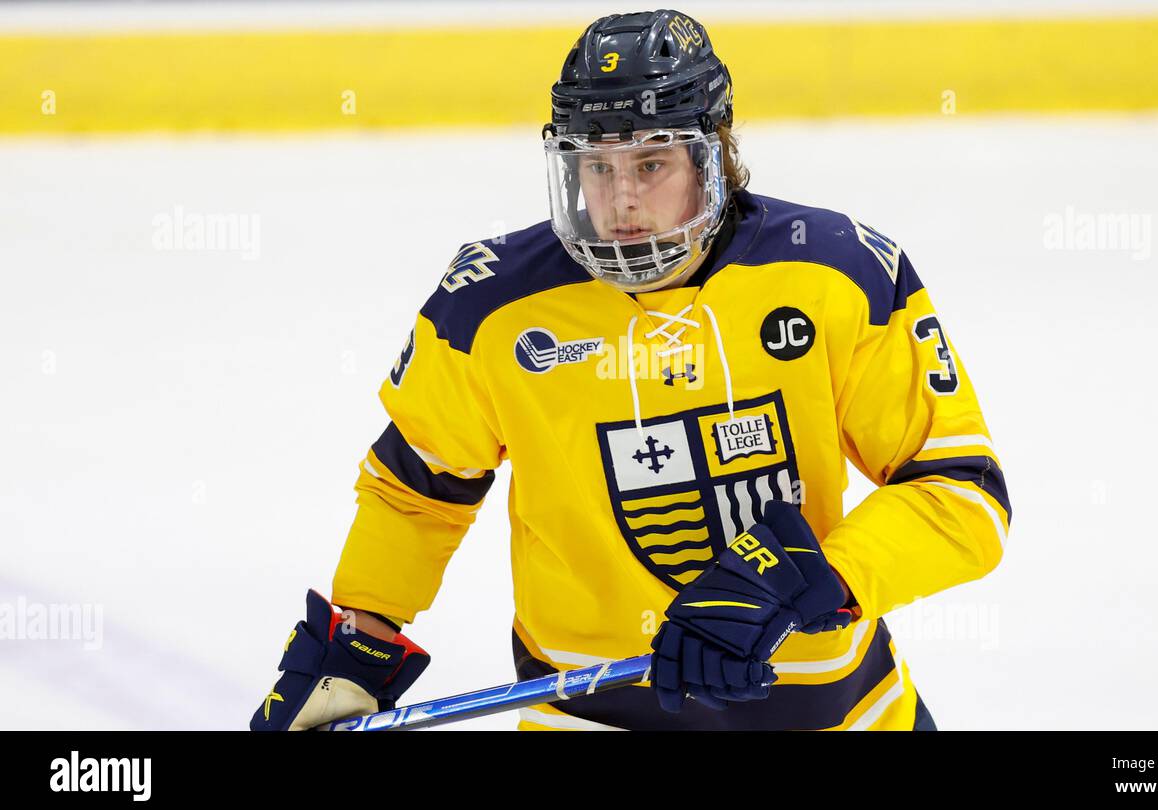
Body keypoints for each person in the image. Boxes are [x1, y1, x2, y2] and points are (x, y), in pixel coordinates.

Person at [251, 9, 1009, 732]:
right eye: (596, 166)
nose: (619, 200)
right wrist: (361, 636)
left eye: (651, 163)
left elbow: (962, 494)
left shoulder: (836, 272)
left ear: (715, 154)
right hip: (592, 712)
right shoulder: (492, 308)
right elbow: (418, 493)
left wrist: (808, 576)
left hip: (840, 713)